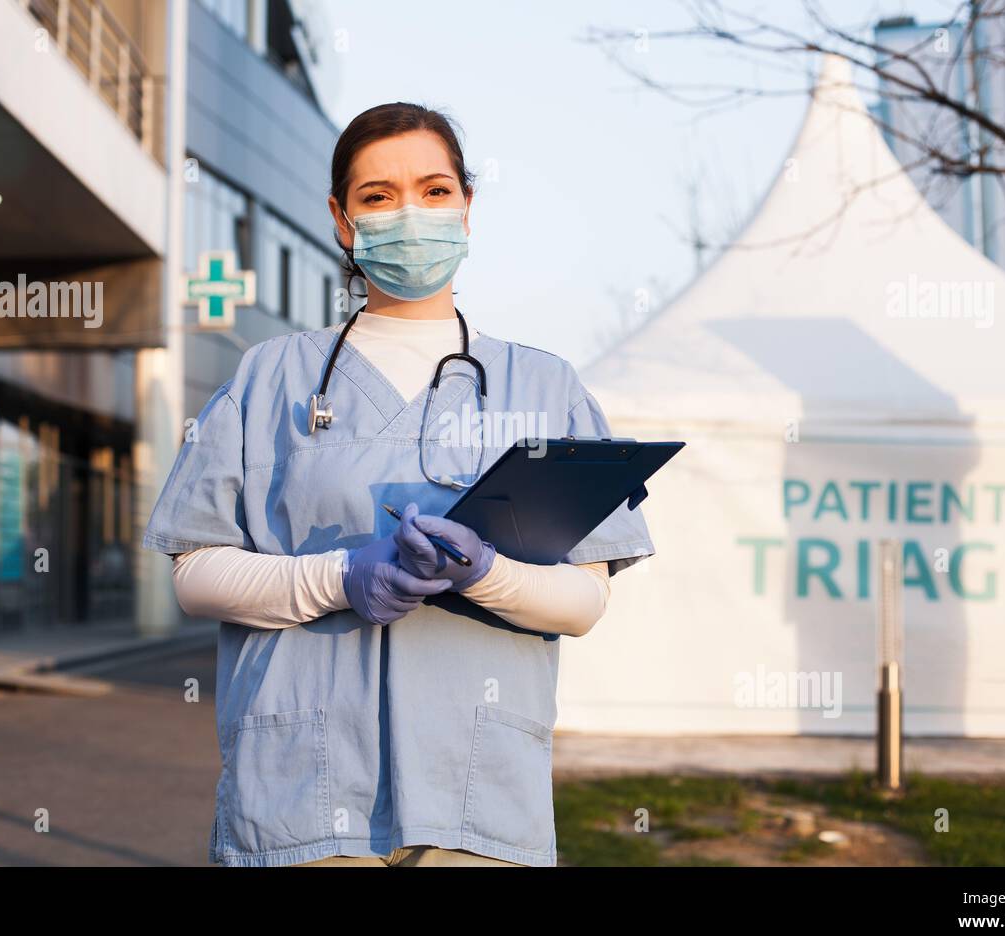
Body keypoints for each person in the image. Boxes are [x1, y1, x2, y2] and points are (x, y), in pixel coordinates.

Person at [142, 102, 655, 867]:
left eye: (435, 190)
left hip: (479, 800)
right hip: (300, 798)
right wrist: (343, 576)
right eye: (378, 197)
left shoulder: (544, 386)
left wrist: (488, 575)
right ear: (342, 221)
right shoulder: (269, 378)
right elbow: (197, 575)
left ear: (467, 207)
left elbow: (583, 603)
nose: (409, 214)